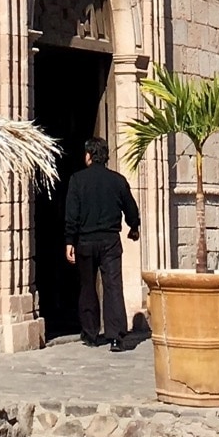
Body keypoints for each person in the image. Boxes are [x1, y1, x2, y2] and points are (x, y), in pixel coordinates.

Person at [64, 136, 141, 352]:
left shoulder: (77, 180)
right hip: (110, 241)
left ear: (88, 155)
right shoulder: (117, 180)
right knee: (113, 287)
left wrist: (69, 240)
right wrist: (133, 226)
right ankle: (116, 336)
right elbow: (131, 208)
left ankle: (90, 334)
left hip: (86, 241)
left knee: (87, 287)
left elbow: (72, 214)